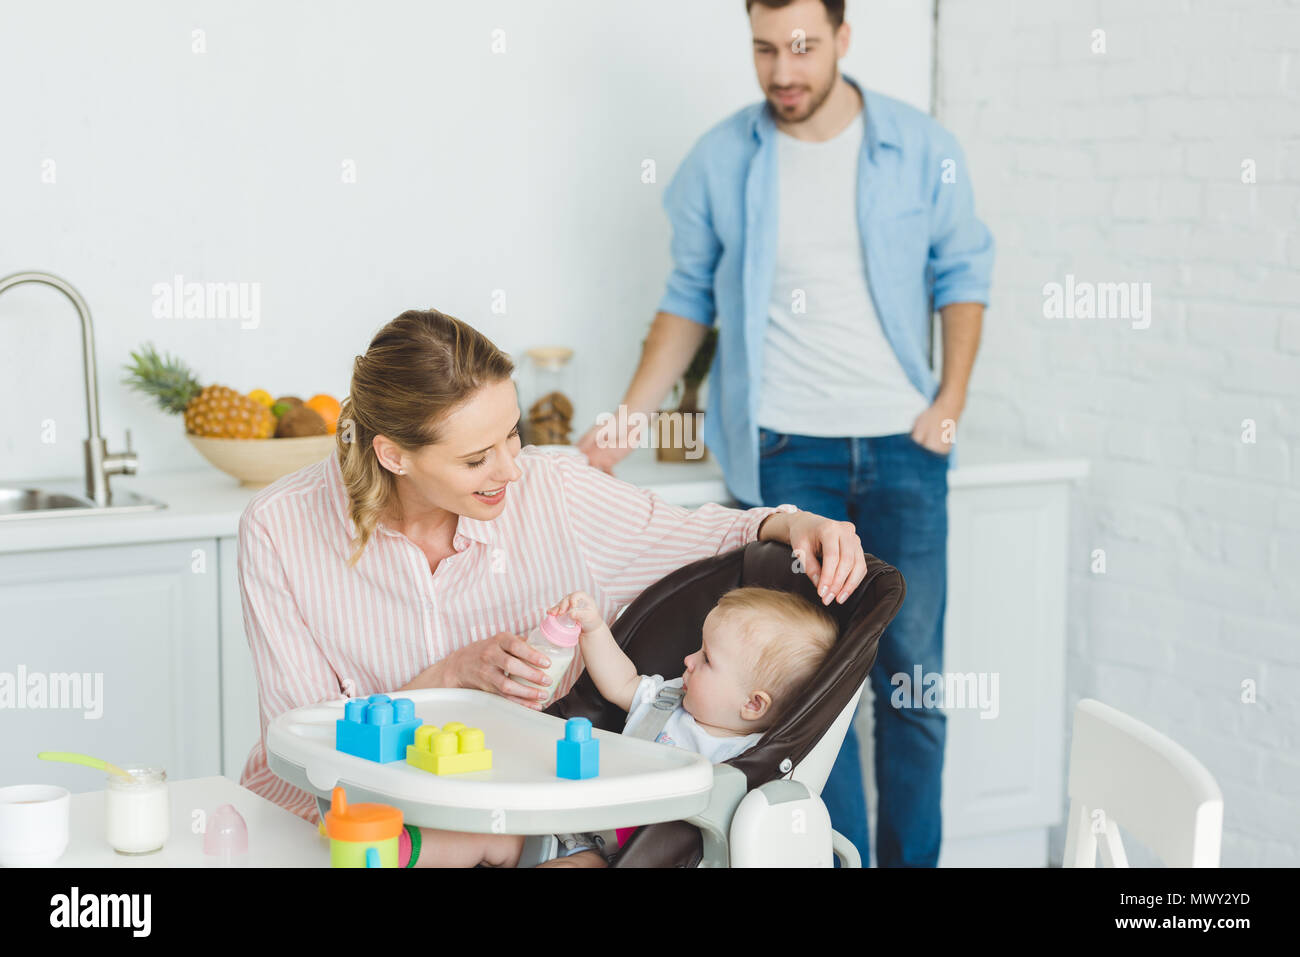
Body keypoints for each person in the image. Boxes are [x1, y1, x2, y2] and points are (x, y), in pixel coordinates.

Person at [577, 0, 994, 866]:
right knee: (806, 701)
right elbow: (686, 299)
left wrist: (948, 400)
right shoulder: (721, 160)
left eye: (803, 47)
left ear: (844, 37)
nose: (783, 71)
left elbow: (963, 272)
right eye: (765, 49)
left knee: (912, 686)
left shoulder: (920, 149)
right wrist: (626, 421)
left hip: (901, 449)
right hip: (783, 455)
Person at [237, 307, 869, 868]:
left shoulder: (553, 490)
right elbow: (307, 746)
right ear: (394, 455)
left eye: (513, 435)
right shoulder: (280, 528)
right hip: (334, 830)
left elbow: (703, 536)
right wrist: (449, 679)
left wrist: (796, 522)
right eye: (477, 457)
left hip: (519, 825)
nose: (512, 469)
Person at [392, 585, 837, 867]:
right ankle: (390, 852)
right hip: (563, 820)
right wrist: (592, 627)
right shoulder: (667, 700)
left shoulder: (744, 760)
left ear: (753, 704)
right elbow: (620, 680)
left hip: (617, 856)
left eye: (706, 660)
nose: (687, 660)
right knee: (482, 836)